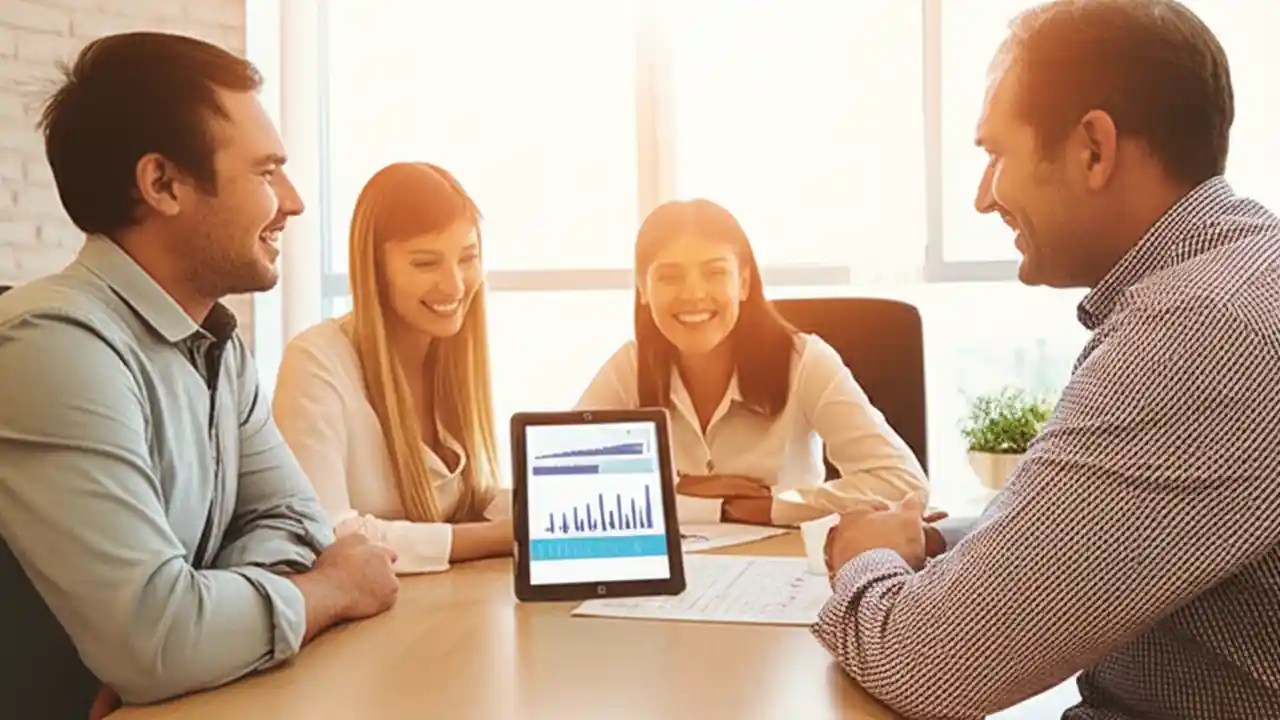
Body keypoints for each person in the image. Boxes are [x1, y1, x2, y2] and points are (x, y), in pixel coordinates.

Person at [813, 1, 1280, 718]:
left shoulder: (1198, 328)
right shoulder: (1241, 278)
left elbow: (923, 665)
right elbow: (1120, 527)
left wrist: (863, 557)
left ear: (1093, 148)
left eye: (996, 154)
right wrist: (937, 541)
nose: (983, 198)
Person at [0, 33, 398, 719]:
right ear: (163, 184)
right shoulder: (53, 344)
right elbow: (158, 639)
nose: (293, 202)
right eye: (266, 173)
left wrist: (202, 621)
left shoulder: (215, 341)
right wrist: (333, 590)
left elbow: (297, 523)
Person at [576, 199, 928, 527]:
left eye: (714, 272)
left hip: (783, 564)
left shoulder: (805, 362)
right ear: (642, 289)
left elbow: (903, 484)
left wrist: (770, 506)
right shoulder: (630, 367)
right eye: (669, 277)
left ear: (743, 283)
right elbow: (564, 487)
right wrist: (687, 491)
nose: (693, 293)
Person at [273, 162, 511, 575]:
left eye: (467, 258)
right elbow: (327, 533)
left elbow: (469, 500)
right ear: (375, 269)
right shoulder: (315, 361)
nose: (455, 285)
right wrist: (498, 537)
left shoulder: (451, 355)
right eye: (426, 263)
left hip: (442, 604)